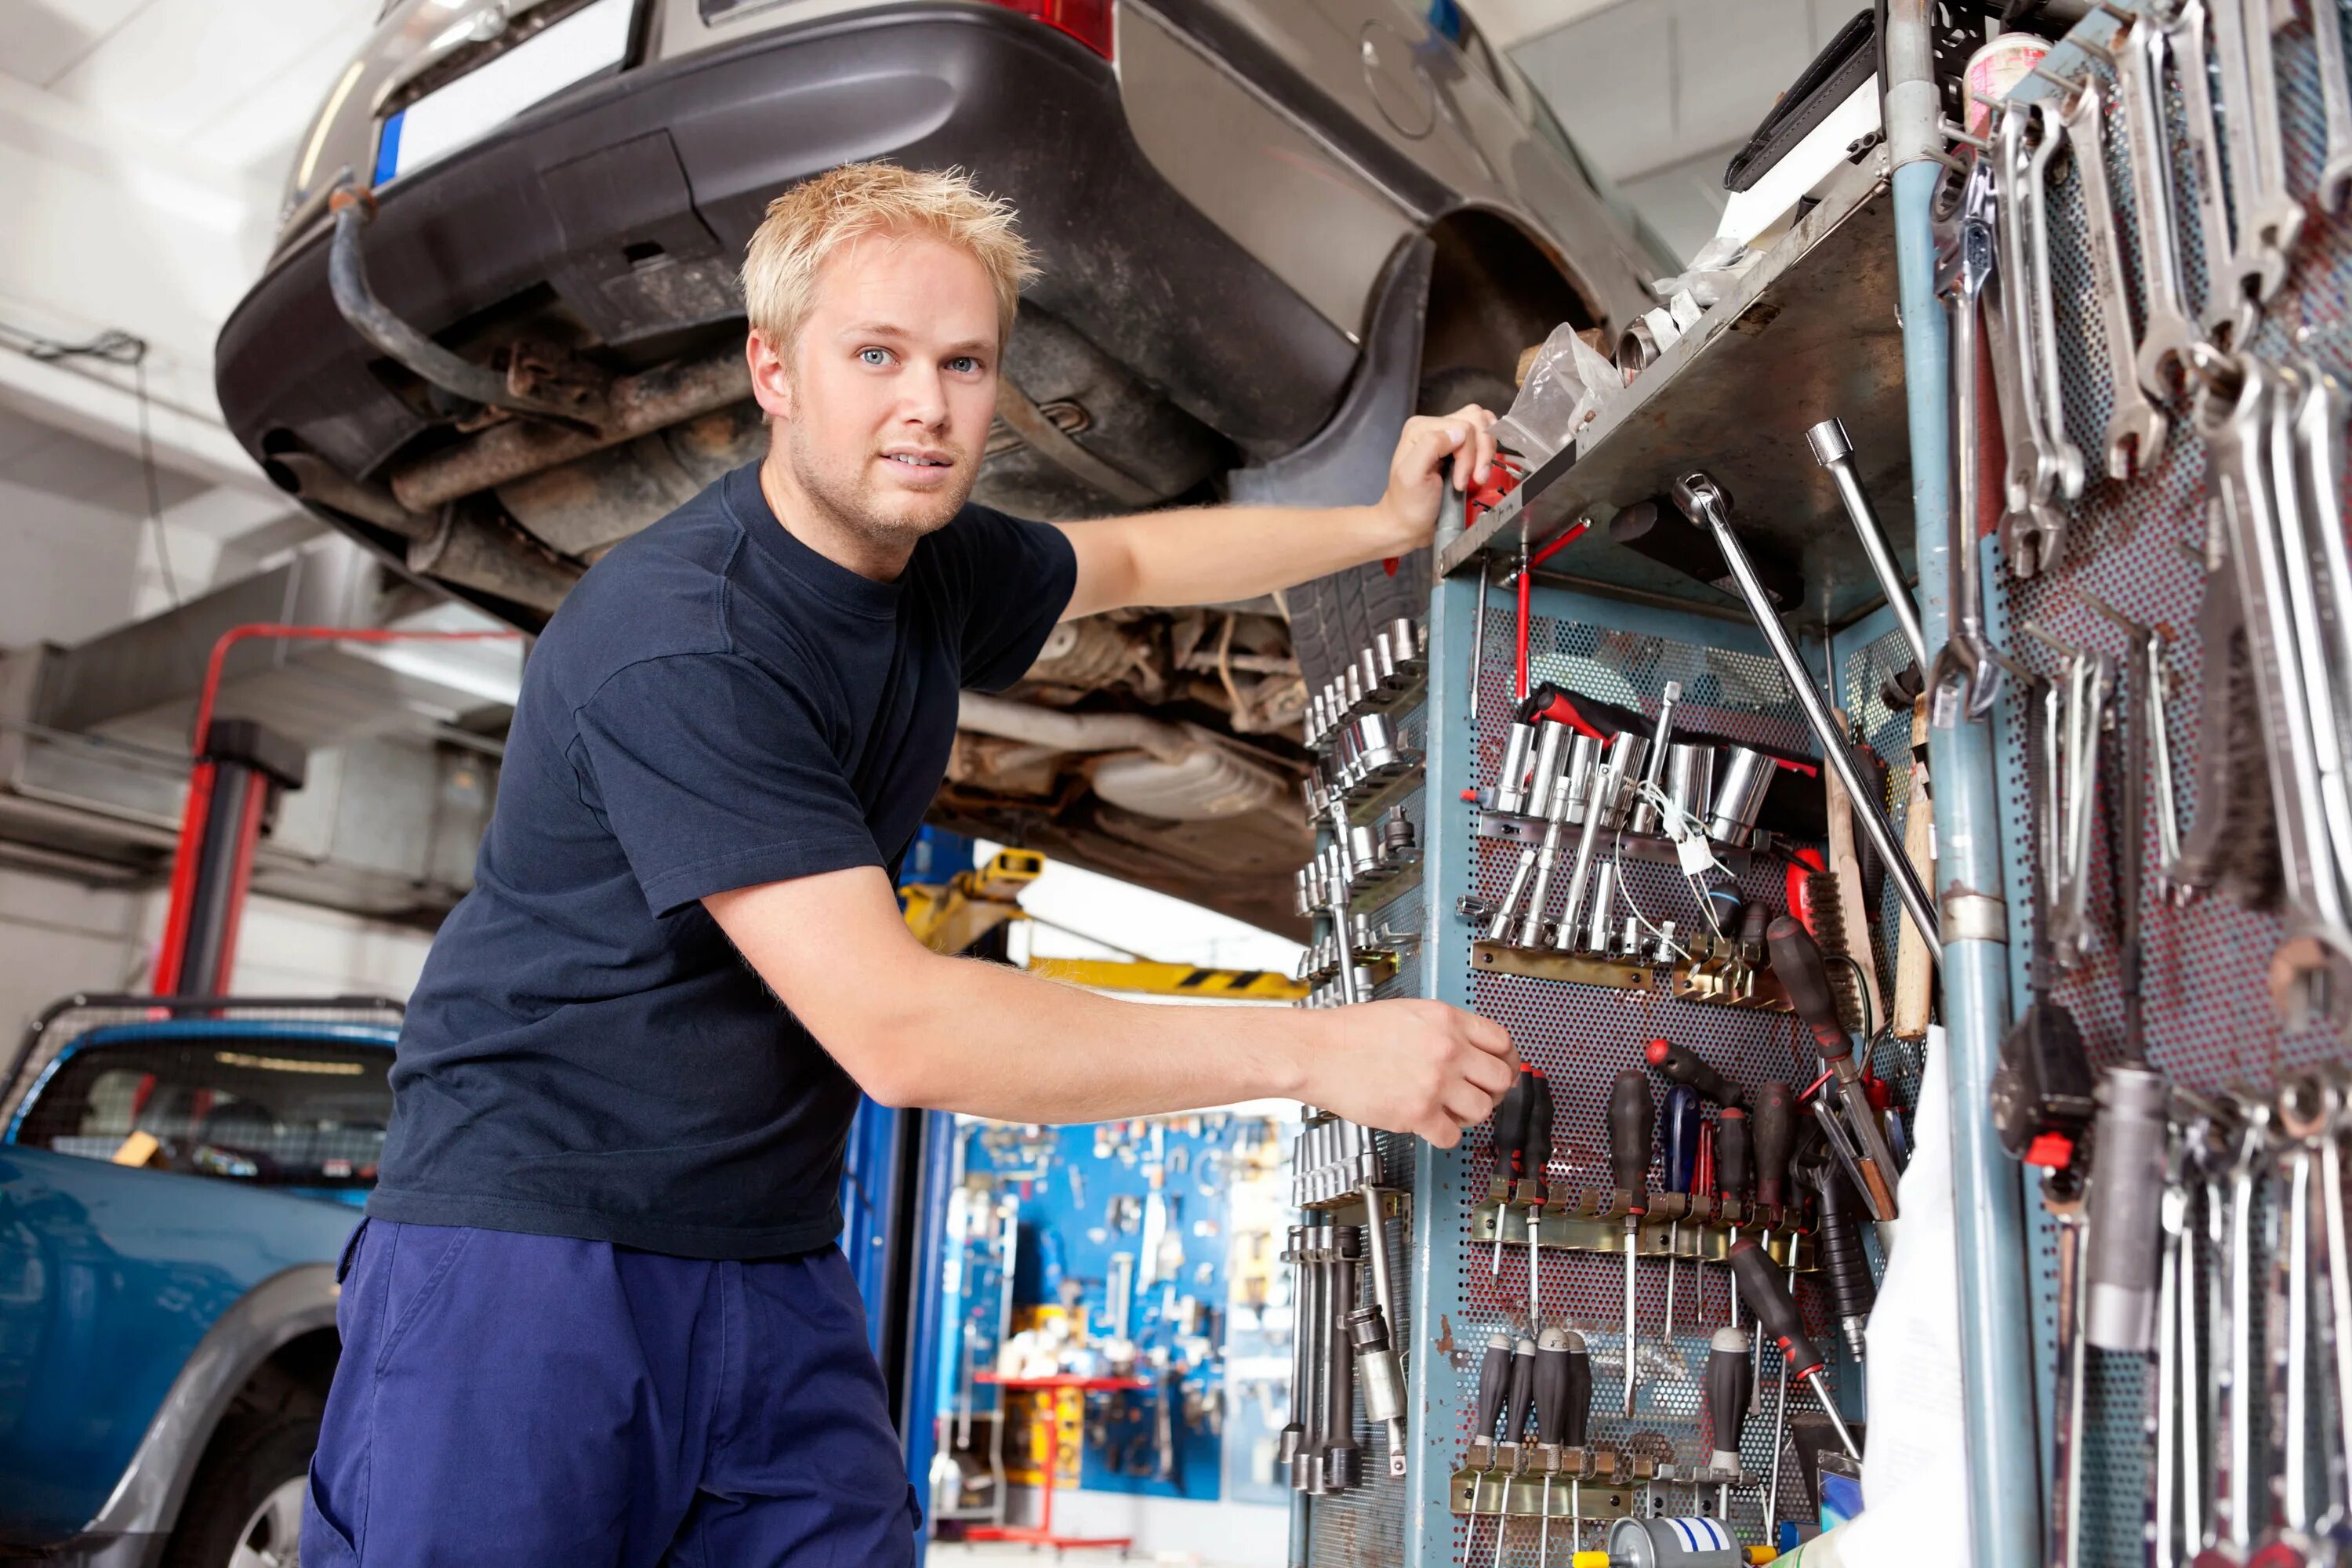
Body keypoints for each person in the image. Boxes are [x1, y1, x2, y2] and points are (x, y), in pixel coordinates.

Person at [303, 162, 1515, 1566]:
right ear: (774, 369)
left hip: (766, 1256)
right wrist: (1316, 1054)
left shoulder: (929, 569)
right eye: (874, 356)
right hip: (533, 1258)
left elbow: (1121, 558)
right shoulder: (685, 637)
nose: (926, 407)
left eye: (965, 363)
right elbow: (901, 1030)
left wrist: (1375, 528)